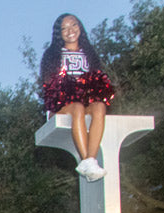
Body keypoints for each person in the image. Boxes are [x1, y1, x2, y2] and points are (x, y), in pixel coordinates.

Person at [40, 13, 112, 182]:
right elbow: (49, 86)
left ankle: (90, 161)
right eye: (64, 28)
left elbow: (97, 80)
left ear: (80, 27)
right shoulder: (52, 54)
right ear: (59, 33)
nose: (70, 30)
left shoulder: (89, 53)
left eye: (73, 25)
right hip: (61, 105)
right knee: (77, 107)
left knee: (100, 106)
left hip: (84, 100)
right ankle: (87, 160)